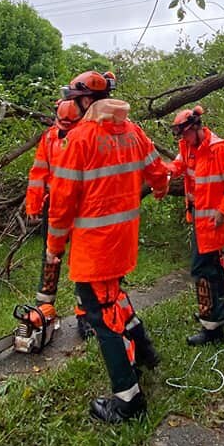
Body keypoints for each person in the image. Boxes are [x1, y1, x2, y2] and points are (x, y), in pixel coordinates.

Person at [47, 70, 169, 423]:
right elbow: (157, 171)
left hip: (95, 250)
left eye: (74, 98)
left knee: (103, 318)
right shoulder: (133, 131)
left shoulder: (79, 139)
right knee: (115, 299)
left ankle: (128, 401)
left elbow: (62, 203)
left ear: (86, 101)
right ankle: (145, 353)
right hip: (123, 242)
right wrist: (159, 189)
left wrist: (55, 246)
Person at [165, 106, 224, 345]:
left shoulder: (219, 150)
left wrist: (222, 211)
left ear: (196, 128)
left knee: (203, 271)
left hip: (213, 222)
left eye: (185, 134)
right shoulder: (187, 148)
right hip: (199, 219)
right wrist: (157, 172)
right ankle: (218, 313)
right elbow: (176, 168)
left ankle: (212, 329)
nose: (183, 139)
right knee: (214, 270)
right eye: (181, 136)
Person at [20, 99, 96, 340]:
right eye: (60, 123)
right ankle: (44, 308)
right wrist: (33, 202)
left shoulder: (87, 137)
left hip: (83, 207)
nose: (64, 128)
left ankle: (85, 313)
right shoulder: (50, 137)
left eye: (69, 124)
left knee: (82, 260)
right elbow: (38, 172)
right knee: (50, 256)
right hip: (55, 204)